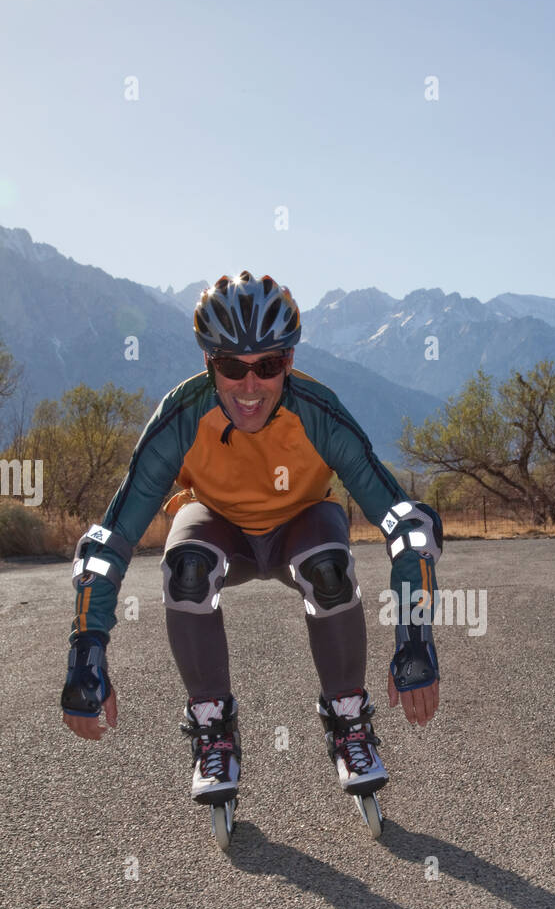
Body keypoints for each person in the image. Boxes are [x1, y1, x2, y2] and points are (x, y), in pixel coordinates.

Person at [61, 271, 442, 817]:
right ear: (207, 363)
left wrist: (414, 637)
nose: (249, 386)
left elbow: (408, 525)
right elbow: (109, 540)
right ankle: (212, 726)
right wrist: (86, 651)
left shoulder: (319, 411)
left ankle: (348, 718)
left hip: (301, 524)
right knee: (185, 567)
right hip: (219, 525)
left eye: (268, 366)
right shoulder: (182, 416)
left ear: (289, 360)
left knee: (329, 568)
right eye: (231, 368)